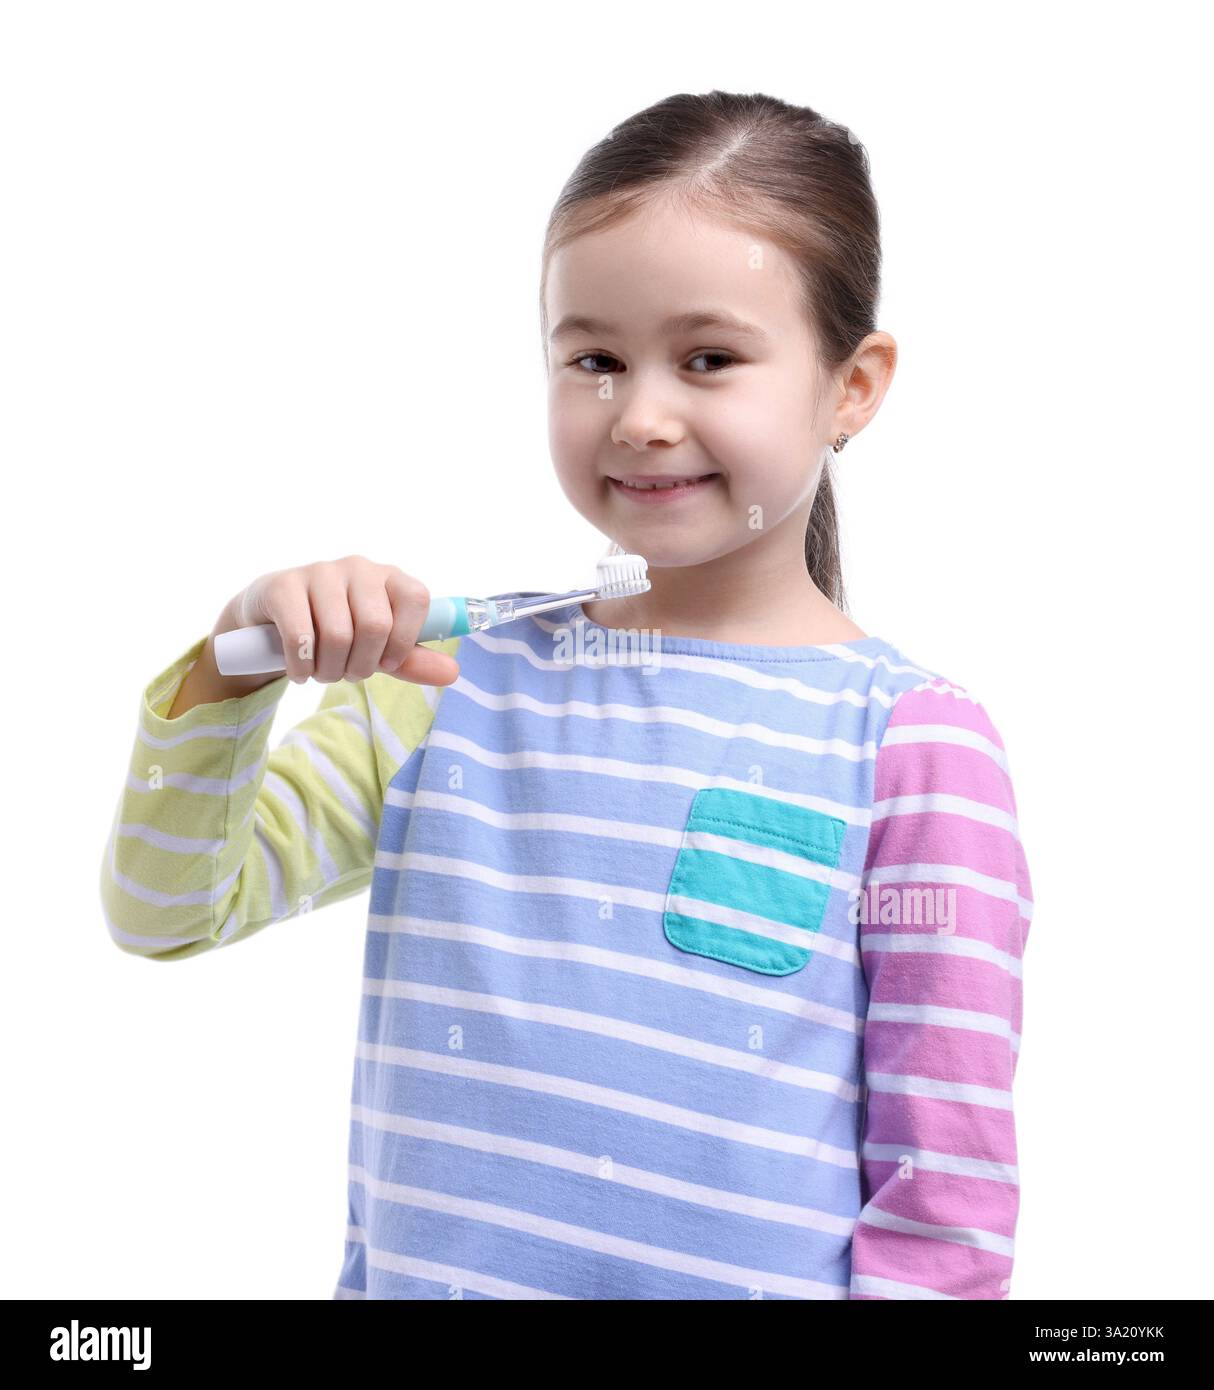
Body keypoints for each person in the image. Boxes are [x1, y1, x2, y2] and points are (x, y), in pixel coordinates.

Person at [100, 89, 1033, 1300]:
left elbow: (942, 1198)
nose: (640, 417)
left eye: (708, 358)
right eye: (593, 358)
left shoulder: (916, 748)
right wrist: (241, 659)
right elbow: (168, 910)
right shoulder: (446, 684)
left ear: (850, 386)